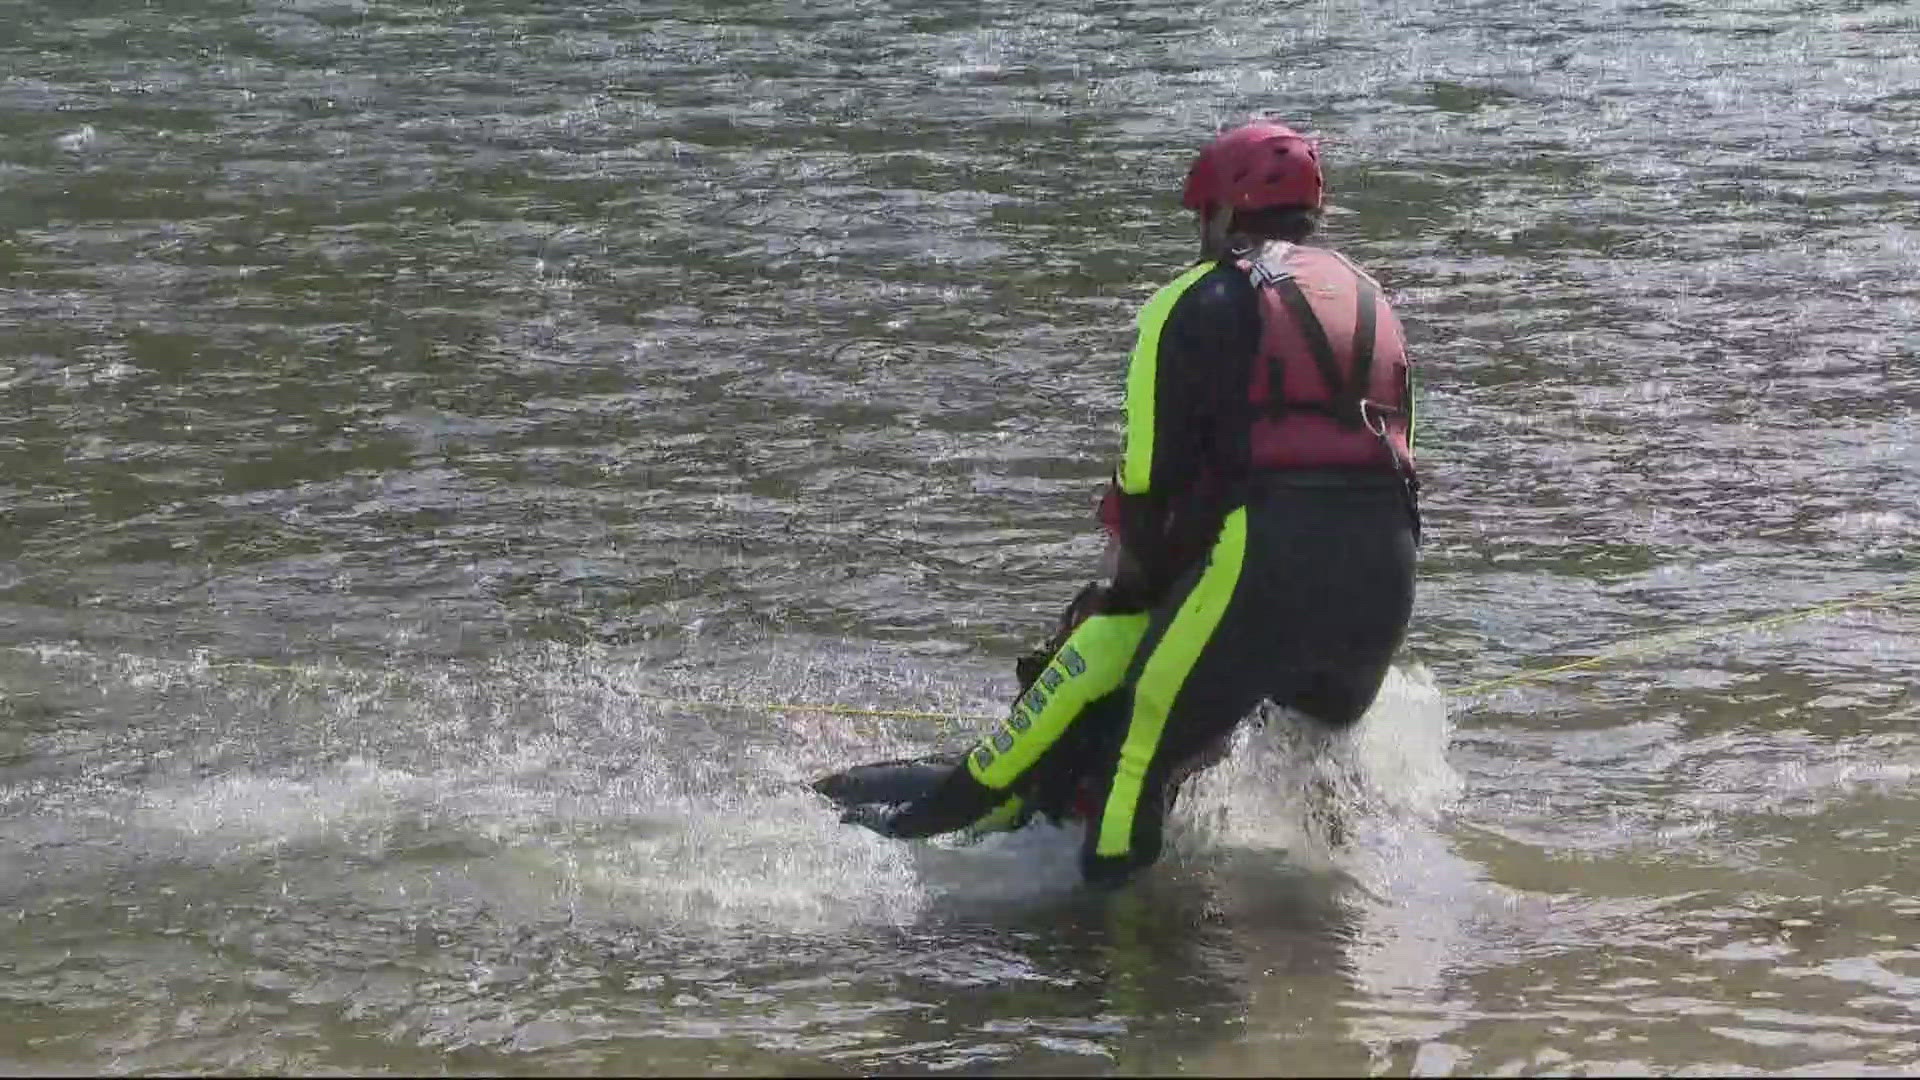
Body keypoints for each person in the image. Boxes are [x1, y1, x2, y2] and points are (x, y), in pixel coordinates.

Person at [844, 121, 1421, 886]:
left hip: (1268, 564)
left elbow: (1145, 492)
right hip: (1386, 580)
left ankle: (1116, 968)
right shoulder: (1373, 299)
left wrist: (1116, 611)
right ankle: (1335, 926)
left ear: (1221, 213)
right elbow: (1378, 461)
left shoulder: (1188, 302)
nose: (1196, 234)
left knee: (1133, 765)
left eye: (1199, 218)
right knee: (1293, 755)